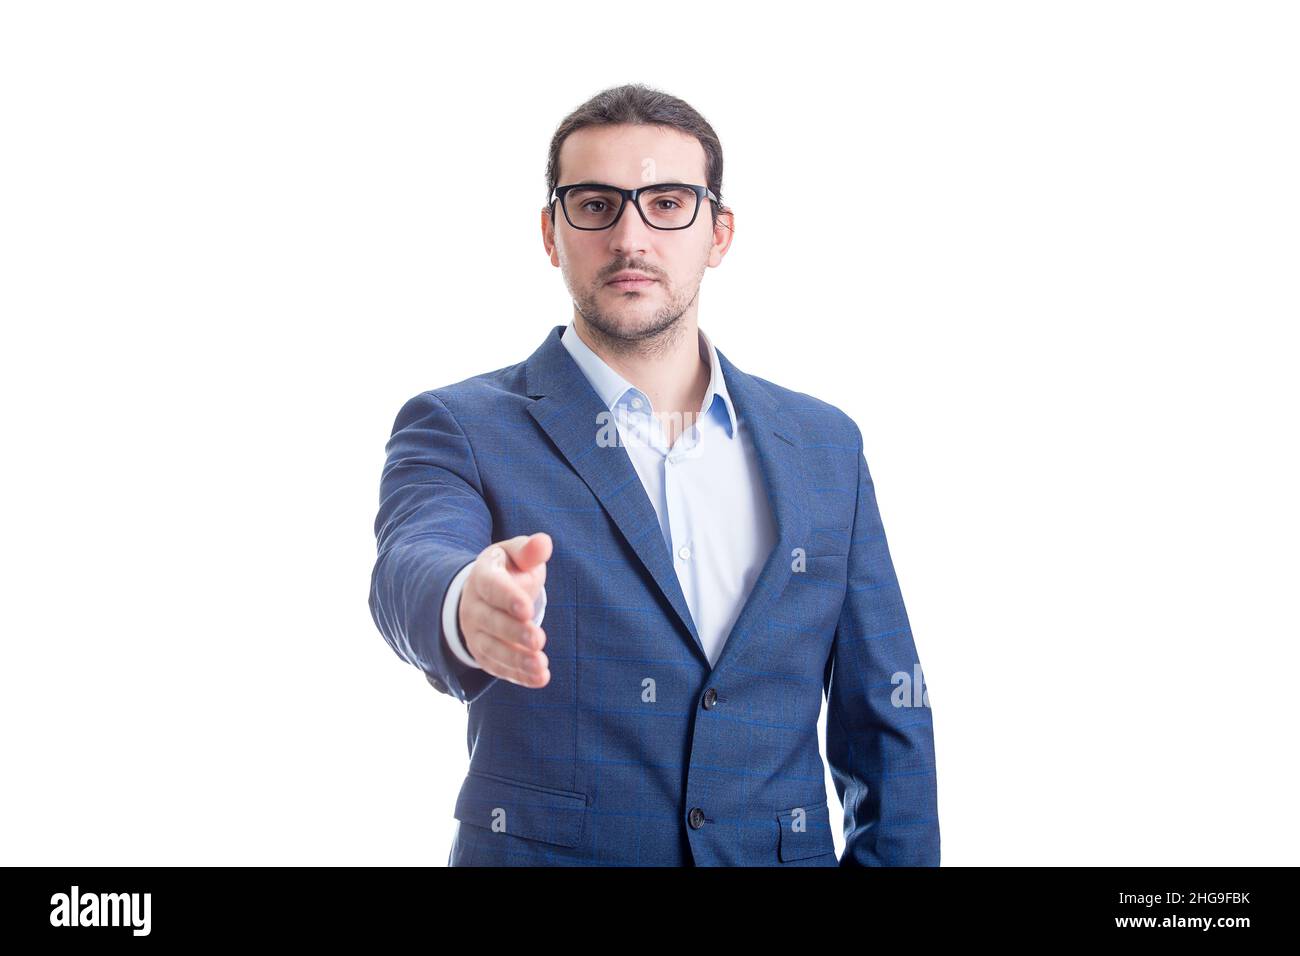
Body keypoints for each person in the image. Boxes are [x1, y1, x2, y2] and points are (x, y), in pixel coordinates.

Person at [368, 83, 939, 866]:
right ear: (551, 233)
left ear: (718, 233)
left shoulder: (824, 445)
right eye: (596, 205)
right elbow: (409, 562)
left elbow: (886, 722)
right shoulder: (461, 425)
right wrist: (464, 600)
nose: (630, 237)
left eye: (667, 203)